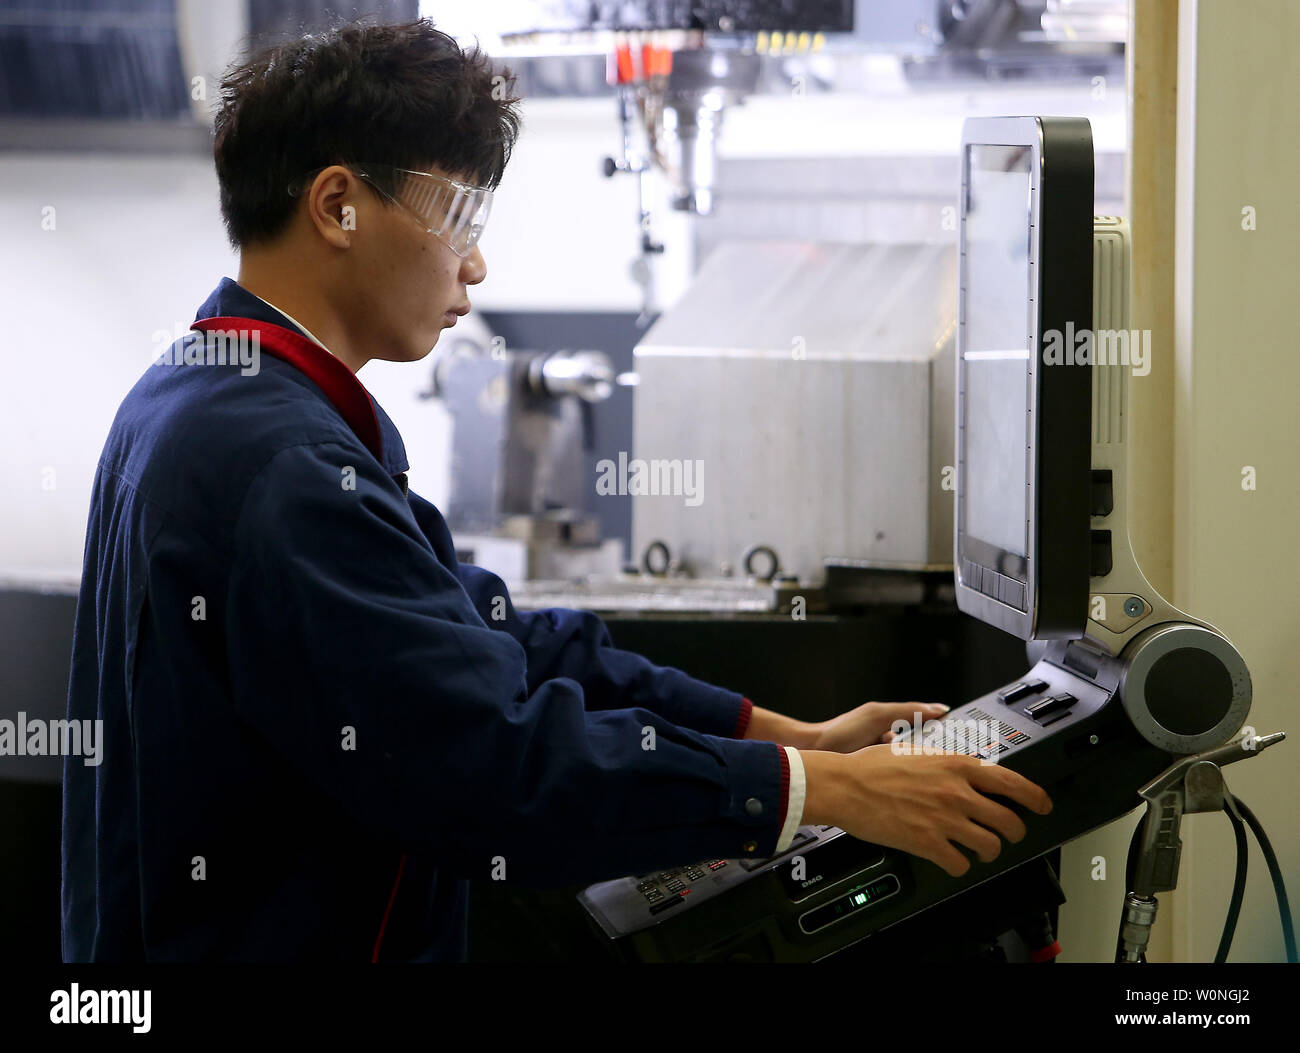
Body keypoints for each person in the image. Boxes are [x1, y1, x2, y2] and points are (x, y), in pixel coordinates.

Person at [61, 19, 1051, 962]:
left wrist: (779, 737)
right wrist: (815, 790)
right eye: (455, 214)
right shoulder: (278, 462)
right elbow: (494, 772)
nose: (476, 263)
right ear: (337, 206)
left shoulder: (214, 387)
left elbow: (484, 638)